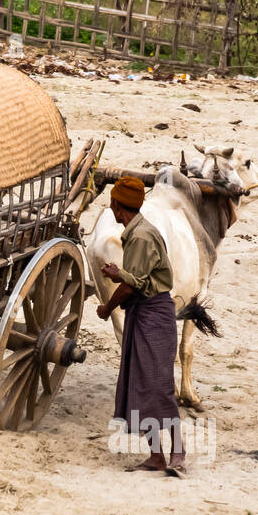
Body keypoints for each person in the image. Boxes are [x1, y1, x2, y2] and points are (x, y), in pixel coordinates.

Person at [94, 176, 186, 476]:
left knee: (158, 386)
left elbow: (134, 287)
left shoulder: (141, 237)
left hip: (153, 315)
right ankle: (157, 456)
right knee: (141, 386)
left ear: (116, 206)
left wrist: (107, 307)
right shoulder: (141, 232)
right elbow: (136, 278)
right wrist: (119, 273)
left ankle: (178, 452)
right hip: (147, 314)